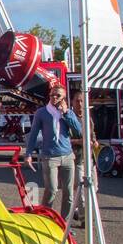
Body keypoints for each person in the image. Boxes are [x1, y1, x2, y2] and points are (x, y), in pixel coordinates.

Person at [24, 84, 81, 220]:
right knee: (52, 190)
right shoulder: (42, 113)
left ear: (64, 98)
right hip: (50, 156)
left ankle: (64, 223)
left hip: (67, 155)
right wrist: (28, 154)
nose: (54, 97)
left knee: (68, 192)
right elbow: (33, 134)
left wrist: (66, 113)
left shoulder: (68, 113)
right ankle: (45, 219)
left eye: (58, 95)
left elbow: (79, 131)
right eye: (52, 95)